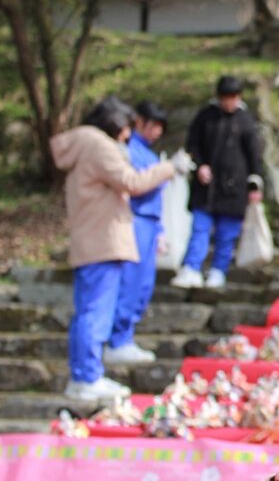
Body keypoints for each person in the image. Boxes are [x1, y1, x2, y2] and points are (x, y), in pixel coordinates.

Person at [51, 97, 193, 401]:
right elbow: (132, 181)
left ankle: (86, 374)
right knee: (95, 311)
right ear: (115, 123)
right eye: (128, 127)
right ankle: (86, 376)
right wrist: (169, 167)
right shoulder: (99, 146)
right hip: (103, 240)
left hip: (94, 238)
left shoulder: (85, 144)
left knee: (90, 310)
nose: (129, 135)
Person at [172, 76, 264, 289]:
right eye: (225, 98)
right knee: (199, 228)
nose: (229, 102)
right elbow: (193, 144)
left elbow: (254, 155)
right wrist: (199, 165)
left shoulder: (245, 121)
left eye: (232, 98)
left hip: (234, 189)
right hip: (206, 187)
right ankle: (192, 268)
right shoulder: (206, 117)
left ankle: (218, 270)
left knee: (227, 233)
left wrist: (254, 185)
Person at [106, 101, 168, 366]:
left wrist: (161, 230)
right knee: (130, 282)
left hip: (150, 223)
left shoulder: (150, 154)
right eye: (153, 125)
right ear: (139, 122)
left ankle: (125, 336)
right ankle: (118, 339)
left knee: (143, 284)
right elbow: (136, 184)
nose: (157, 132)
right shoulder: (128, 151)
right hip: (134, 219)